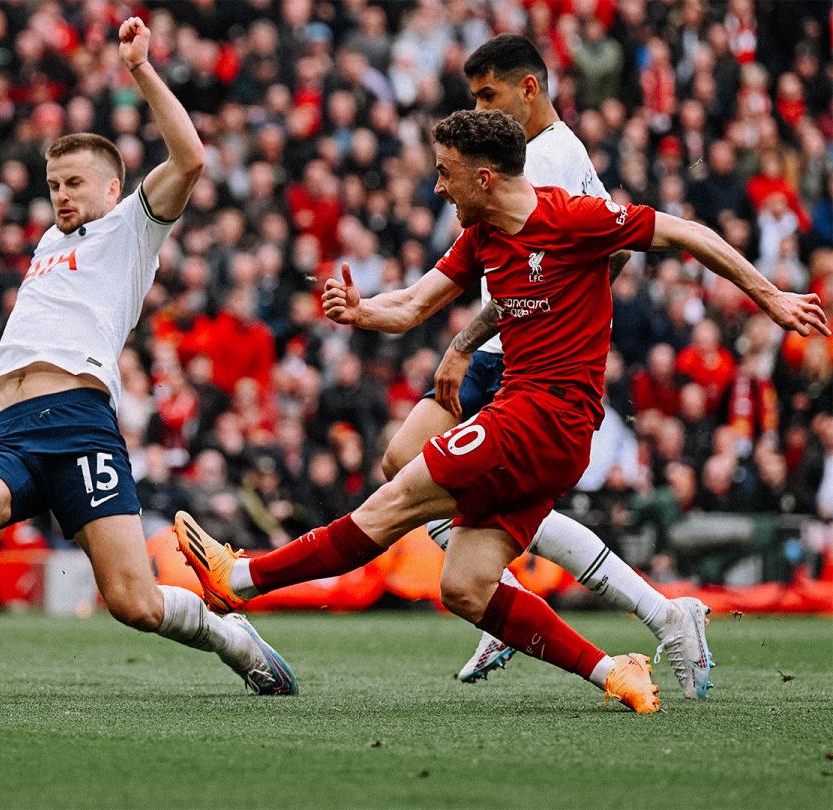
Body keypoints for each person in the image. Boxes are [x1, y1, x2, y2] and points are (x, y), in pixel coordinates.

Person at [175, 109, 828, 712]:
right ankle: (615, 672)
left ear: (483, 177)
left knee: (393, 499)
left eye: (445, 173)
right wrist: (362, 311)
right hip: (536, 426)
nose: (438, 187)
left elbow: (686, 232)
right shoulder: (484, 235)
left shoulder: (574, 219)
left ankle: (244, 577)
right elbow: (413, 304)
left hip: (542, 418)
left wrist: (771, 296)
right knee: (464, 587)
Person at [0, 18, 297, 696]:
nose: (61, 194)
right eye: (53, 184)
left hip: (77, 425)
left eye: (73, 182)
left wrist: (140, 70)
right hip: (7, 428)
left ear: (111, 189)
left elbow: (190, 159)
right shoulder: (47, 241)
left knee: (134, 602)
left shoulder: (129, 228)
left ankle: (233, 639)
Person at [386, 34, 719, 695]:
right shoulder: (558, 151)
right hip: (499, 349)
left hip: (516, 356)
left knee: (453, 487)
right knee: (406, 464)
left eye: (489, 96)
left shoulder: (548, 160)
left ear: (528, 88)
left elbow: (587, 256)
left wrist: (476, 337)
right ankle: (513, 594)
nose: (481, 110)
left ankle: (644, 610)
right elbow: (607, 253)